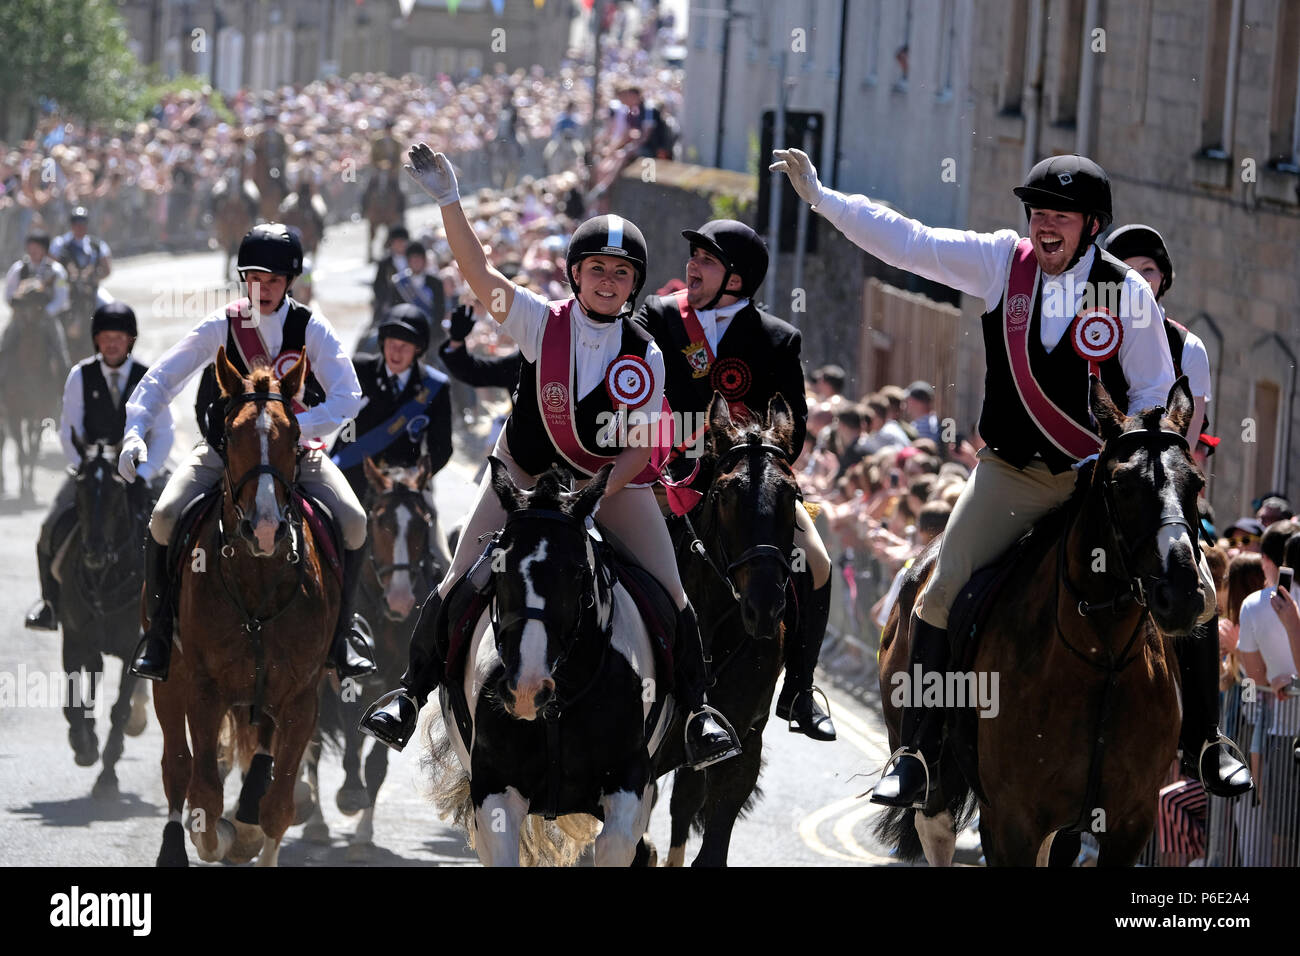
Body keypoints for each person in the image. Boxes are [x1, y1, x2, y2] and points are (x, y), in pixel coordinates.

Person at [770, 147, 1248, 805]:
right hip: (1010, 476)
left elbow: (1156, 398)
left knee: (1183, 578)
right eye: (1038, 211)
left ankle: (1205, 742)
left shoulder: (1127, 295)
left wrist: (1136, 475)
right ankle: (915, 754)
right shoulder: (1002, 262)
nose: (1045, 224)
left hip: (1096, 485)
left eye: (1061, 214)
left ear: (1091, 224)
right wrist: (823, 199)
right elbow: (912, 242)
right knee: (937, 594)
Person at [362, 144, 742, 769]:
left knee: (673, 594)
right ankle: (410, 693)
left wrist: (595, 498)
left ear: (635, 285)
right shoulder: (540, 322)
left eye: (622, 274)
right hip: (524, 475)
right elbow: (480, 274)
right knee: (459, 579)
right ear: (575, 274)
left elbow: (643, 444)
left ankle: (697, 712)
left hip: (606, 484)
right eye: (597, 269)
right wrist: (449, 200)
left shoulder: (644, 353)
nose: (608, 281)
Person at [119, 223, 376, 682]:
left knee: (355, 522)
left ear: (291, 281)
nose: (261, 289)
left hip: (294, 454)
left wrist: (297, 430)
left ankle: (342, 633)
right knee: (163, 517)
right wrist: (135, 429)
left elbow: (348, 395)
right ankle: (159, 633)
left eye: (273, 280)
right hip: (227, 452)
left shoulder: (309, 327)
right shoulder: (224, 323)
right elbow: (163, 377)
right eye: (253, 279)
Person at [635, 218, 836, 741]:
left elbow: (794, 429)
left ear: (736, 279)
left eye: (705, 259)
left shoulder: (776, 339)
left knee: (818, 561)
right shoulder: (658, 316)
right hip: (660, 475)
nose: (691, 266)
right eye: (693, 256)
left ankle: (799, 687)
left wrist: (750, 456)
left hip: (747, 487)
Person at [24, 303, 174, 631]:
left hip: (139, 469)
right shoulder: (81, 375)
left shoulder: (148, 378)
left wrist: (144, 475)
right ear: (96, 340)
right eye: (105, 337)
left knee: (176, 527)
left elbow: (164, 434)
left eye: (118, 338)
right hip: (91, 470)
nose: (111, 344)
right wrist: (85, 470)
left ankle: (172, 611)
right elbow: (68, 431)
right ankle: (49, 604)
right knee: (50, 528)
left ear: (130, 341)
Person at [331, 303, 453, 569]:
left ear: (418, 350)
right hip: (354, 476)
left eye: (405, 346)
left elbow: (442, 447)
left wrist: (418, 477)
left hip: (407, 485)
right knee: (325, 536)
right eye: (391, 343)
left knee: (442, 558)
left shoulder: (435, 386)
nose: (396, 351)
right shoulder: (359, 369)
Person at [1102, 224, 1211, 441]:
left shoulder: (1189, 348)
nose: (1139, 280)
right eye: (1127, 271)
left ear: (1163, 276)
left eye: (1148, 269)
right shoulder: (1090, 331)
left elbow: (1188, 434)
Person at [3, 231, 70, 377]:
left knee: (60, 350)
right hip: (21, 318)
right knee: (5, 344)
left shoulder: (56, 271)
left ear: (44, 249)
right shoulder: (18, 269)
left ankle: (64, 383)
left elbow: (61, 298)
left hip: (47, 319)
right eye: (30, 248)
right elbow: (8, 294)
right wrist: (19, 307)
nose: (33, 251)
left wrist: (45, 312)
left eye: (37, 248)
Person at [389, 241, 446, 329]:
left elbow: (440, 310)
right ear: (408, 261)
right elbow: (395, 309)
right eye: (413, 260)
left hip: (431, 330)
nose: (416, 263)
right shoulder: (399, 282)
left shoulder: (435, 282)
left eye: (419, 259)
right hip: (406, 328)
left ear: (424, 261)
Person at [371, 225, 409, 324]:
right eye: (397, 242)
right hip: (390, 304)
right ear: (392, 243)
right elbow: (378, 285)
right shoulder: (385, 263)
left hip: (411, 301)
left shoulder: (412, 259)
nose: (400, 244)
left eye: (402, 241)